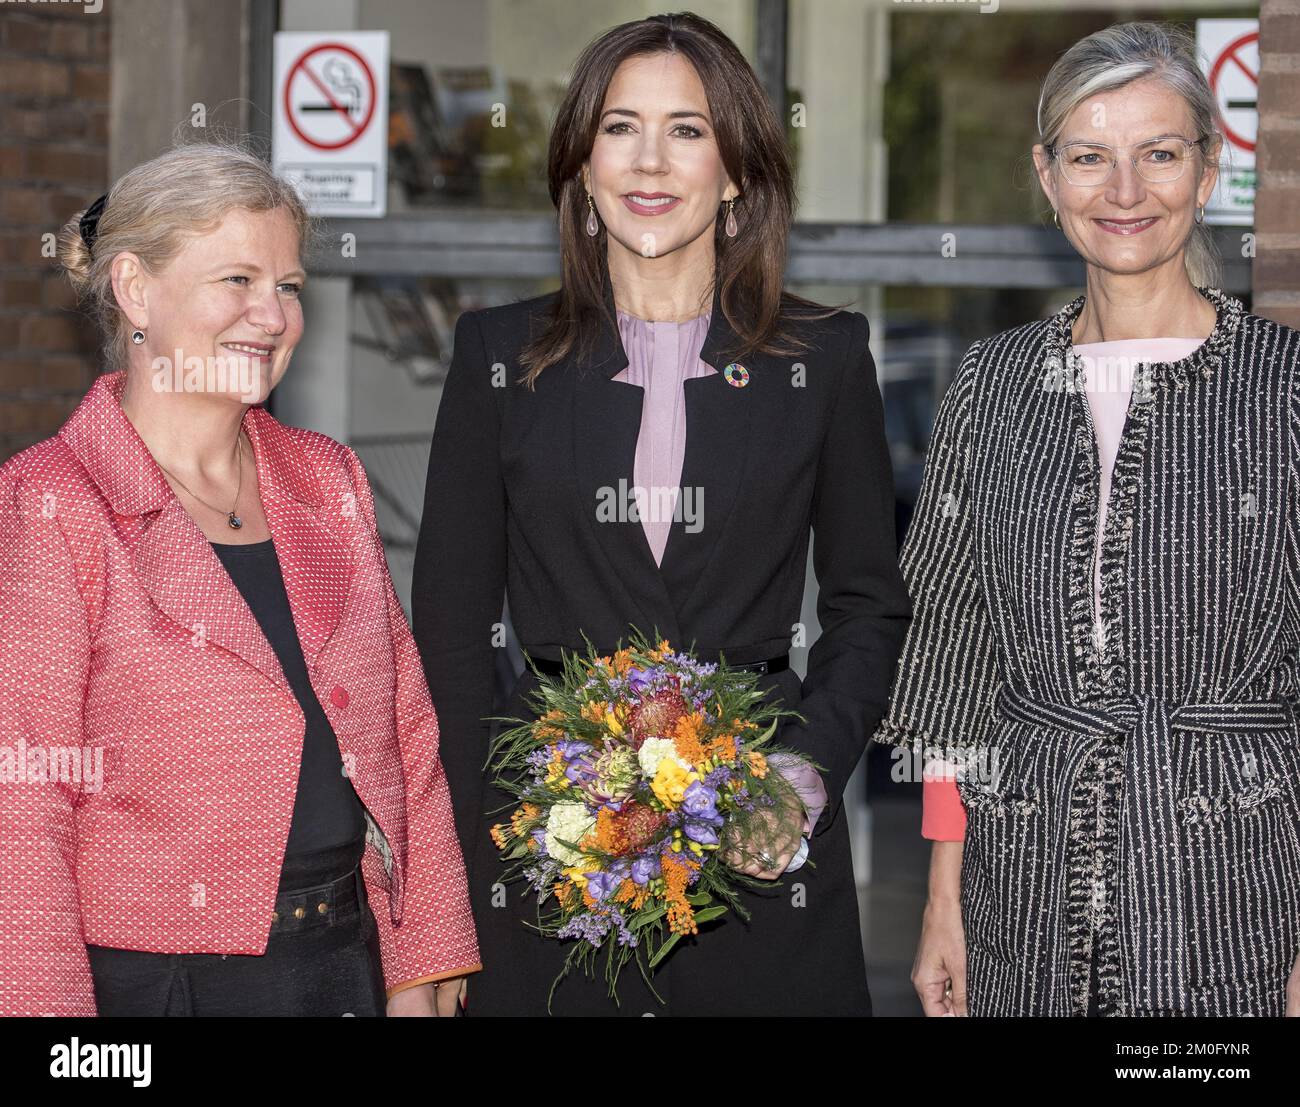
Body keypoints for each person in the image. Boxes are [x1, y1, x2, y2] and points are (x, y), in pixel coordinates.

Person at [412, 12, 909, 1016]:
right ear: (580, 165)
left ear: (735, 171)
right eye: (618, 127)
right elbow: (451, 642)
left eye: (686, 129)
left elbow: (868, 608)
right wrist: (450, 896)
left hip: (760, 851)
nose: (650, 160)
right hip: (546, 852)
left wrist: (798, 777)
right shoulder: (497, 358)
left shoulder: (824, 358)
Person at [875, 22, 1300, 1017]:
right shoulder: (991, 383)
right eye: (1087, 158)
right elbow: (953, 664)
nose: (1123, 192)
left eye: (1157, 154)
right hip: (1020, 894)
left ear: (1207, 170)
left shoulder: (1282, 388)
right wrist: (942, 901)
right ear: (1045, 174)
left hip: (1233, 891)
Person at [0, 141, 479, 1017]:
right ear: (136, 290)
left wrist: (425, 946)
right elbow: (23, 801)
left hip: (342, 959)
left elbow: (404, 726)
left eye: (288, 287)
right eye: (238, 281)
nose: (273, 315)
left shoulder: (325, 479)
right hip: (156, 985)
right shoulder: (54, 499)